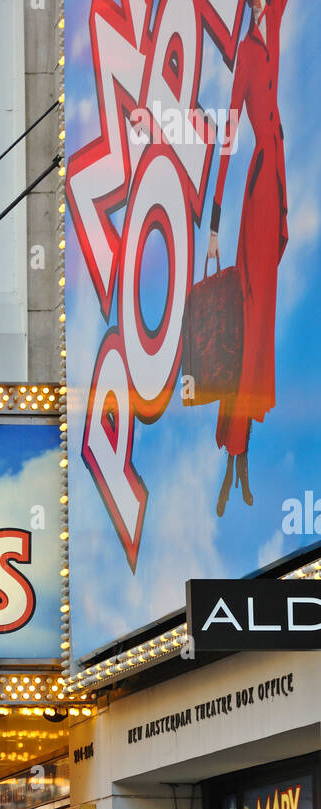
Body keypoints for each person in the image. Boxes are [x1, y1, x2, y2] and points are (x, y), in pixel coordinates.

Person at [208, 0, 288, 516]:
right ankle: (235, 455)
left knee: (261, 333)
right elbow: (228, 141)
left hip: (279, 184)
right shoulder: (246, 51)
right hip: (260, 195)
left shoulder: (274, 25)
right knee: (248, 328)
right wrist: (214, 225)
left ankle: (243, 454)